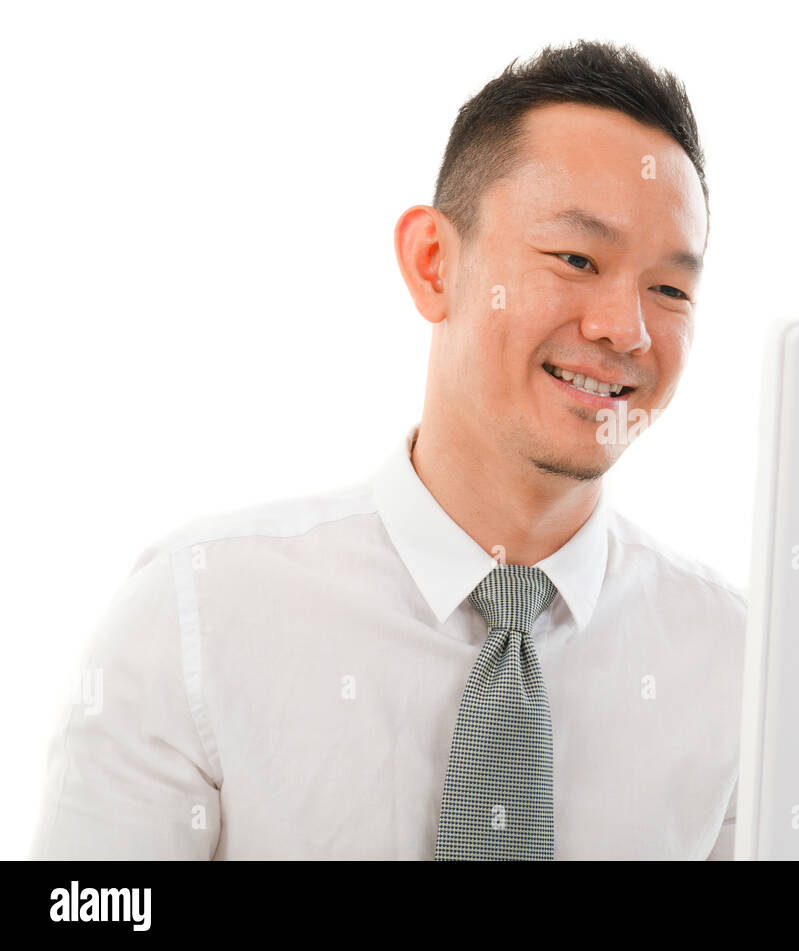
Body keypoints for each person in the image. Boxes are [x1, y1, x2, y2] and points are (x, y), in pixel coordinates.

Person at [30, 39, 745, 860]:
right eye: (576, 258)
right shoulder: (196, 615)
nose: (626, 328)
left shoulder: (736, 667)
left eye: (671, 289)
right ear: (434, 263)